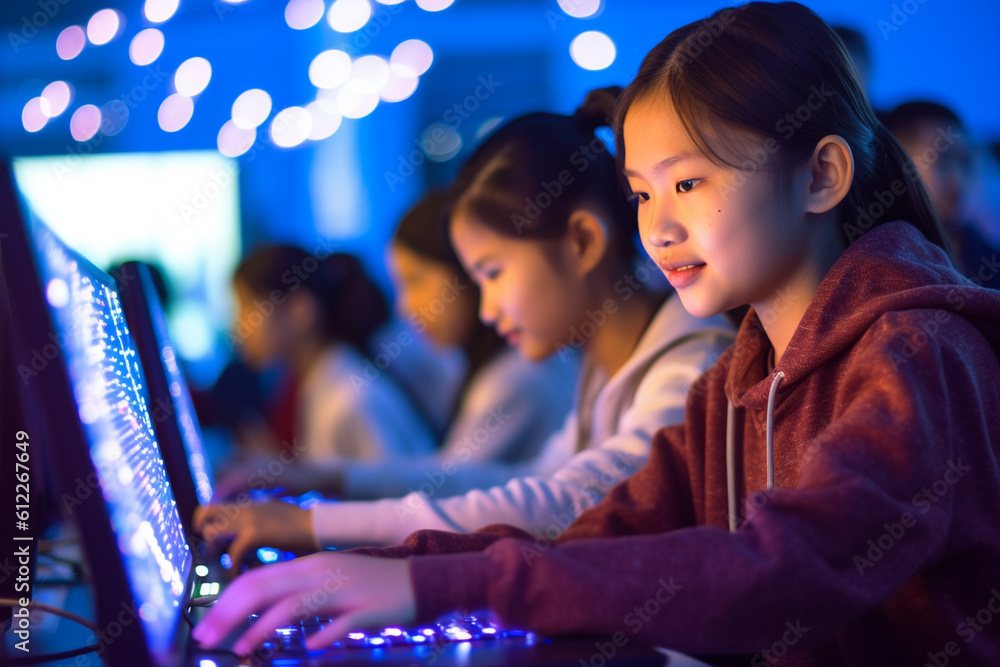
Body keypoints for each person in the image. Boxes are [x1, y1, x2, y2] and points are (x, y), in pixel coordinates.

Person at [194, 3, 1000, 662]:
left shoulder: (916, 351)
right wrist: (386, 569)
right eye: (644, 194)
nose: (660, 225)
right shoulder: (739, 379)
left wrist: (430, 587)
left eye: (690, 181)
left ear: (821, 174)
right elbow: (600, 529)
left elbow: (787, 566)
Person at [194, 88, 735, 564]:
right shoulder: (608, 366)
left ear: (583, 243)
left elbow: (563, 504)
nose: (485, 308)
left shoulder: (692, 363)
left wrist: (315, 524)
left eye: (494, 273)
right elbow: (523, 482)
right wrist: (329, 480)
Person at [214, 192, 578, 500]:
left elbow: (444, 494)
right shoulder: (495, 372)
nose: (405, 307)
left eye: (416, 281)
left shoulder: (515, 379)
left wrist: (313, 494)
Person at [226, 247, 437, 464]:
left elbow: (402, 492)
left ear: (301, 310)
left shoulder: (349, 396)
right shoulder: (318, 380)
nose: (238, 327)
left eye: (247, 308)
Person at [884, 100, 1000, 289]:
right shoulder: (880, 261)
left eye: (965, 162)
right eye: (943, 163)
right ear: (896, 168)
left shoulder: (992, 263)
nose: (958, 180)